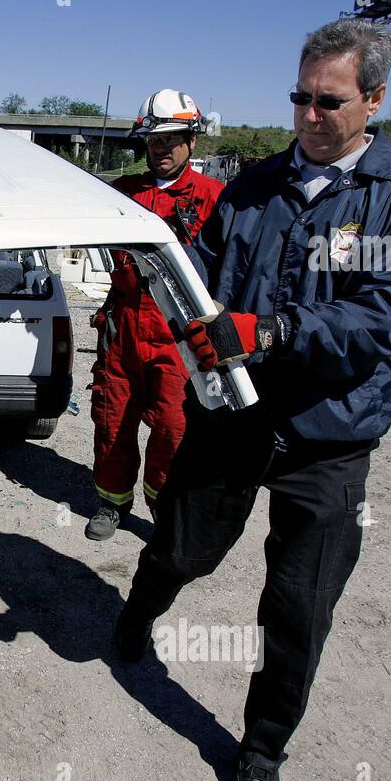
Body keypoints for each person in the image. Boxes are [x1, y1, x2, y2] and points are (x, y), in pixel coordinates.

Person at [112, 19, 391, 781]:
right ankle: (141, 606)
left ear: (373, 100)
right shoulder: (252, 189)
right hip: (235, 420)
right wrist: (186, 308)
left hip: (330, 439)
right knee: (182, 547)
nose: (308, 116)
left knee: (298, 606)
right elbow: (203, 280)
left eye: (328, 101)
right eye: (299, 97)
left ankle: (261, 752)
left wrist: (273, 331)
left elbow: (386, 319)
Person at [86, 90, 224, 540]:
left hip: (177, 331)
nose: (161, 149)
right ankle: (112, 502)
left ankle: (162, 507)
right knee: (113, 417)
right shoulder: (124, 193)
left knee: (172, 426)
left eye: (171, 139)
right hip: (124, 324)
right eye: (154, 141)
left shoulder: (215, 199)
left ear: (191, 142)